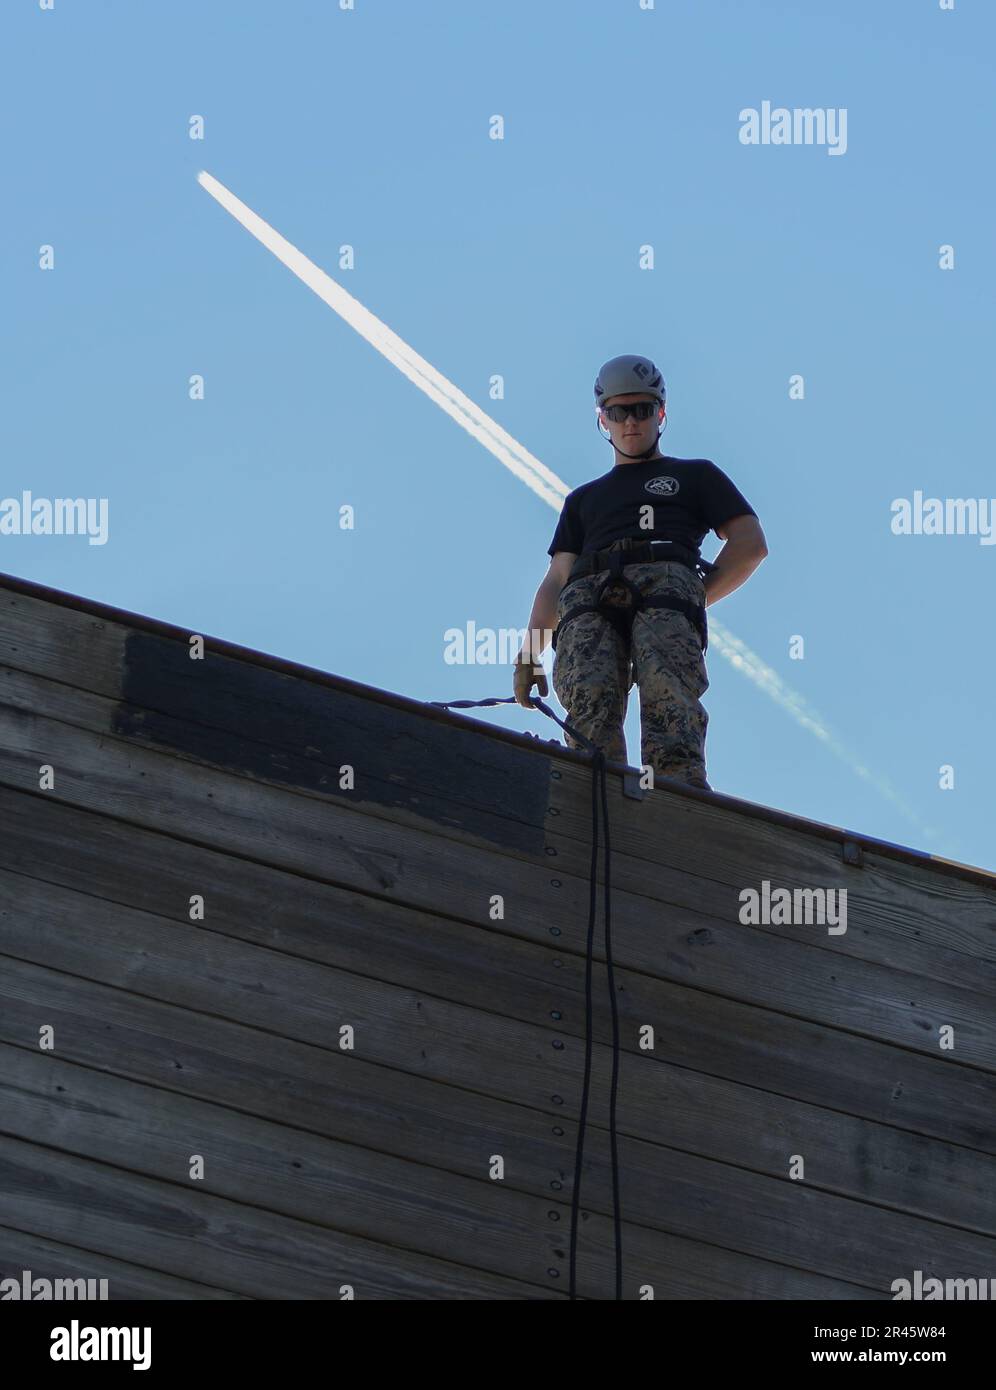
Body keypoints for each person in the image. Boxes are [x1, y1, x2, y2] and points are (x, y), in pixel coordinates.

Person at [513, 354, 767, 790]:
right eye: (619, 411)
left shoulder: (695, 475)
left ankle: (677, 796)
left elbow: (749, 544)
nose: (631, 422)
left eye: (642, 410)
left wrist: (692, 596)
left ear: (660, 413)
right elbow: (556, 580)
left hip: (666, 583)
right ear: (603, 419)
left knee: (668, 695)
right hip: (588, 595)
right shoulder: (583, 500)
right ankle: (591, 796)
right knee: (590, 701)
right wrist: (528, 652)